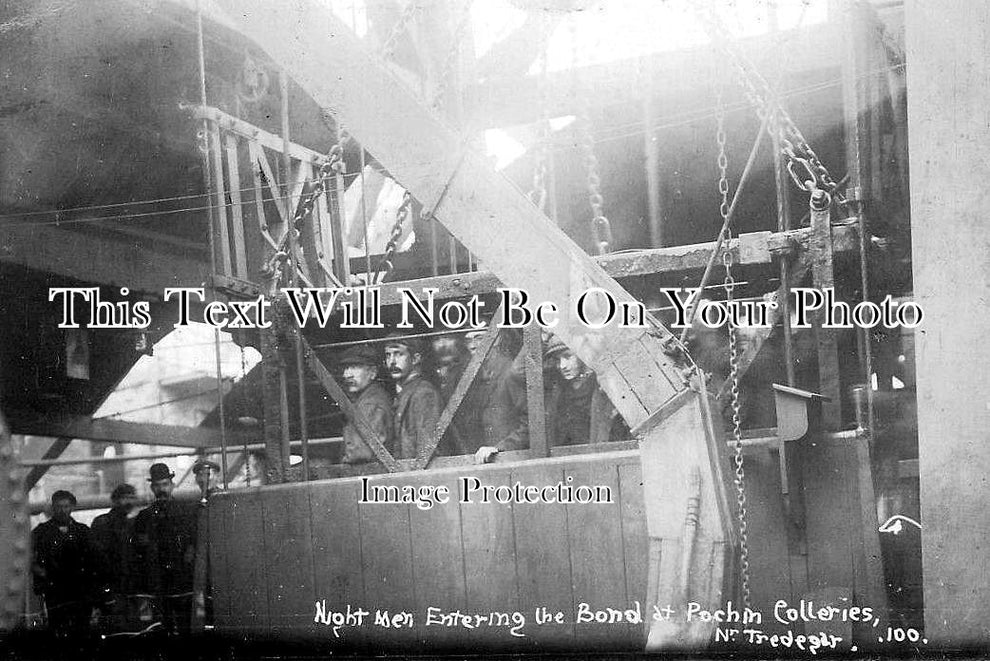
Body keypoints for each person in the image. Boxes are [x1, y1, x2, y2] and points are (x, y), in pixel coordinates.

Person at [132, 463, 198, 635]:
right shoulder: (144, 517)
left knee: (187, 625)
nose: (161, 489)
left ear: (172, 485)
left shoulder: (187, 512)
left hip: (183, 579)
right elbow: (141, 550)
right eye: (157, 485)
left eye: (165, 484)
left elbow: (194, 543)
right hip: (159, 581)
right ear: (152, 488)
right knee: (162, 627)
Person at [31, 490, 97, 638]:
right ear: (53, 507)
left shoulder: (83, 531)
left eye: (66, 506)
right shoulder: (41, 532)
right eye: (59, 506)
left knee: (82, 630)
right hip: (55, 591)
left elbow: (94, 560)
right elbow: (29, 558)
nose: (62, 510)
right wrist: (41, 573)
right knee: (57, 629)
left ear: (72, 507)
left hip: (80, 590)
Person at [461, 329, 530, 464]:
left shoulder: (511, 373)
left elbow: (531, 422)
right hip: (485, 461)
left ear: (497, 340)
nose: (472, 346)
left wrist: (499, 448)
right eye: (468, 340)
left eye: (479, 338)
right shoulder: (472, 376)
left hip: (513, 459)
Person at [544, 336, 625, 446]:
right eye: (557, 360)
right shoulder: (558, 389)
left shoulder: (601, 386)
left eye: (567, 356)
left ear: (582, 355)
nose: (562, 366)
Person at [384, 334, 441, 461]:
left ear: (415, 359)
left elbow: (426, 449)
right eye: (388, 355)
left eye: (399, 354)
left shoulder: (423, 393)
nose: (392, 361)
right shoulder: (404, 391)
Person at [91, 484, 139, 630]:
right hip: (112, 587)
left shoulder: (134, 523)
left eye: (131, 498)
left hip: (131, 587)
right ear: (115, 500)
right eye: (124, 498)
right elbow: (97, 560)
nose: (129, 502)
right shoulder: (102, 523)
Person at [338, 344, 394, 464]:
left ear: (373, 373)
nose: (347, 375)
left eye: (354, 367)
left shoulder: (370, 403)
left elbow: (361, 454)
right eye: (346, 368)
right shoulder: (367, 398)